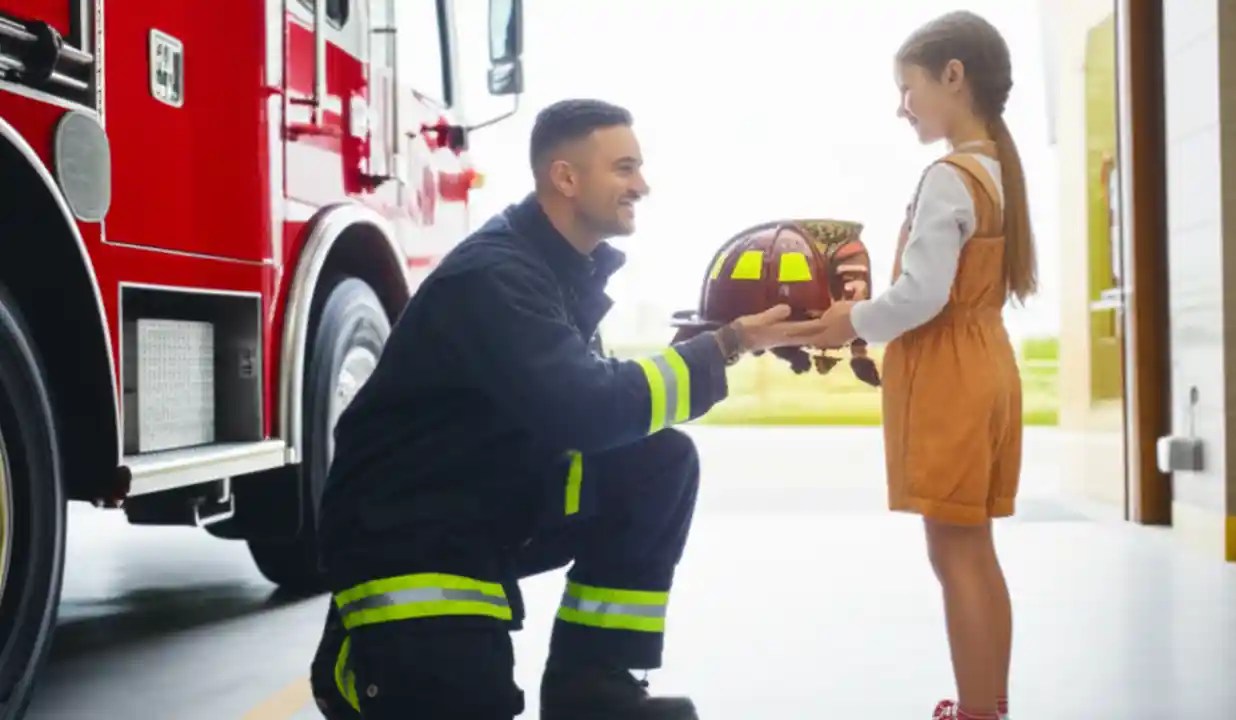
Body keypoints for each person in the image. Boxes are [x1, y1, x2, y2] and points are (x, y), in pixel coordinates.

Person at [308, 98, 806, 720]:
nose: (642, 185)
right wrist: (729, 344)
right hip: (409, 542)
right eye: (624, 168)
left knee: (655, 459)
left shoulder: (550, 270)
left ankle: (590, 685)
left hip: (476, 515)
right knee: (466, 702)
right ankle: (357, 656)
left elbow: (593, 397)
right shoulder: (495, 276)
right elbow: (587, 410)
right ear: (566, 178)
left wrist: (720, 346)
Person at [790, 11, 1033, 720]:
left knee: (954, 557)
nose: (903, 106)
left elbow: (922, 298)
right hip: (989, 363)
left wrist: (849, 320)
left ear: (953, 76)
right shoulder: (997, 170)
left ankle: (978, 712)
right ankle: (987, 704)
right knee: (977, 553)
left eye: (908, 87)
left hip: (951, 376)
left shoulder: (948, 177)